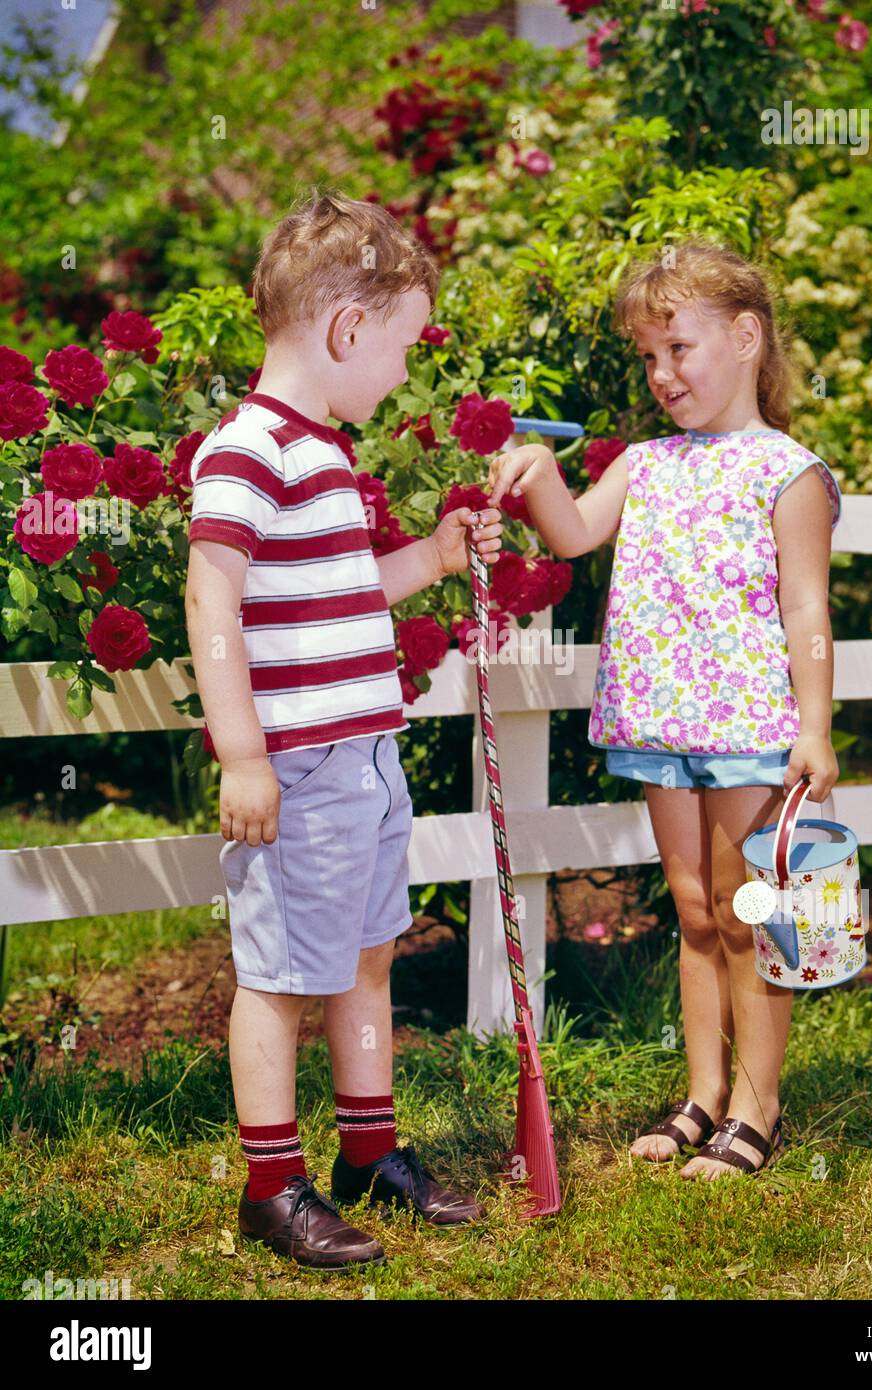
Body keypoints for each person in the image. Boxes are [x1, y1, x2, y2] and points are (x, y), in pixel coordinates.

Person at [184, 192, 503, 1268]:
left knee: (367, 960)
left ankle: (371, 1154)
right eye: (404, 347)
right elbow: (209, 599)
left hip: (363, 761)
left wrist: (435, 554)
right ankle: (271, 1187)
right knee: (278, 980)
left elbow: (346, 589)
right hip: (298, 768)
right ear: (345, 330)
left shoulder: (323, 454)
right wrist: (242, 754)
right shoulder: (248, 449)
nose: (406, 373)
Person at [485, 238, 842, 1180]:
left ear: (747, 336)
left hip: (751, 727)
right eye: (648, 356)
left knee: (749, 909)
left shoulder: (788, 472)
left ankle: (758, 1113)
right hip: (662, 724)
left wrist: (816, 727)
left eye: (677, 348)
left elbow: (807, 606)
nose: (661, 373)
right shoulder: (646, 464)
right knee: (691, 909)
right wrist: (534, 474)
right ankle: (703, 1096)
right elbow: (570, 536)